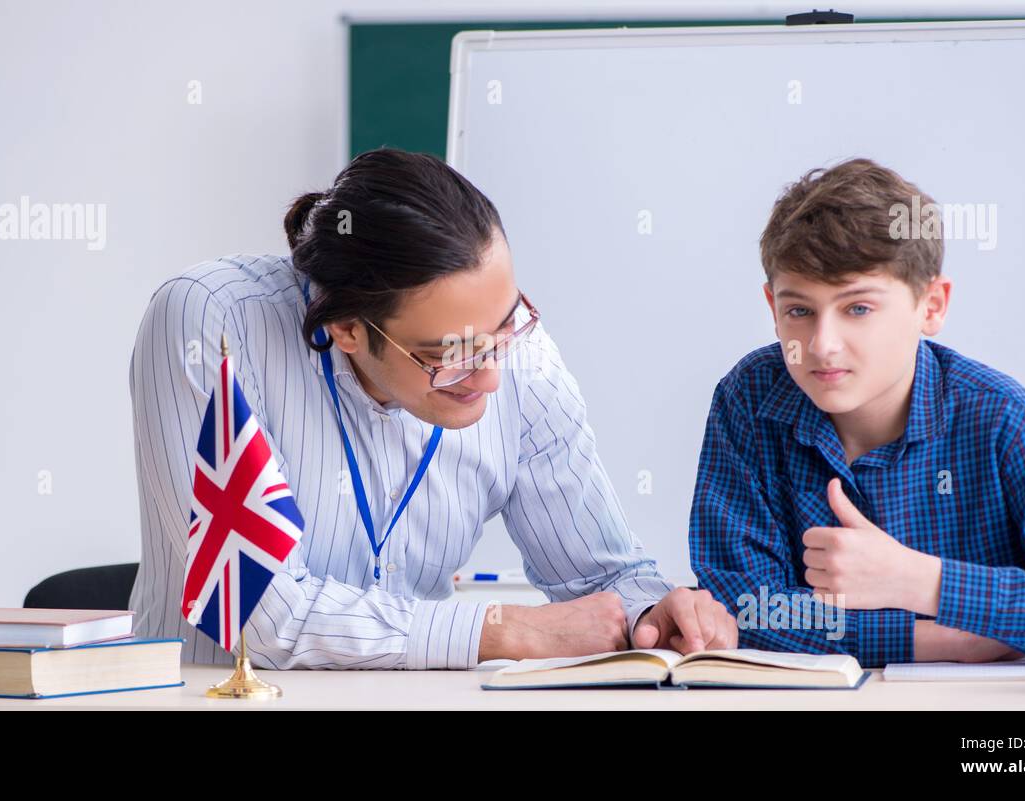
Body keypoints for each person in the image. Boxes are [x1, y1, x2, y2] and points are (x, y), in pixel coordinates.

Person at [129, 147, 737, 668]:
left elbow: (600, 578)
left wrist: (658, 612)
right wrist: (502, 630)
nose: (494, 376)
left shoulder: (516, 357)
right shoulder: (212, 321)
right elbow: (254, 610)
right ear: (346, 328)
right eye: (449, 355)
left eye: (507, 327)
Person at [689, 157, 1025, 666]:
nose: (823, 345)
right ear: (773, 307)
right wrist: (939, 640)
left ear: (932, 306)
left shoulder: (1004, 419)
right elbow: (739, 608)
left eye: (858, 308)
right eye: (800, 311)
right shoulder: (749, 398)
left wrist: (919, 581)